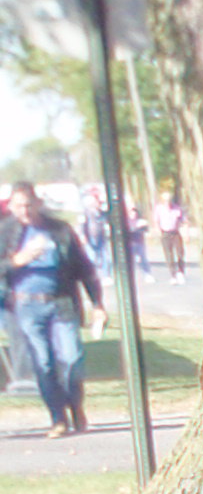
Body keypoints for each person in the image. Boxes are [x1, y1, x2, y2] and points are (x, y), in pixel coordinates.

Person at [3, 181, 103, 436]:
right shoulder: (6, 232)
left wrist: (97, 304)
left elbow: (84, 268)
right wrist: (17, 260)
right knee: (43, 364)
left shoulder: (59, 230)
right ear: (11, 207)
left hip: (61, 301)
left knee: (71, 358)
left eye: (28, 205)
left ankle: (75, 406)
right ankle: (58, 418)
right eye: (18, 206)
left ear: (38, 203)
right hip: (27, 305)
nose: (24, 211)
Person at [152, 190, 186, 279]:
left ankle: (181, 271)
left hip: (175, 232)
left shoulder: (177, 208)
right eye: (166, 200)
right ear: (162, 201)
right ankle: (173, 274)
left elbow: (183, 220)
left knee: (180, 253)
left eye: (169, 200)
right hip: (165, 233)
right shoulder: (159, 209)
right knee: (169, 254)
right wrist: (158, 231)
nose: (168, 202)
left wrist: (186, 232)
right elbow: (156, 221)